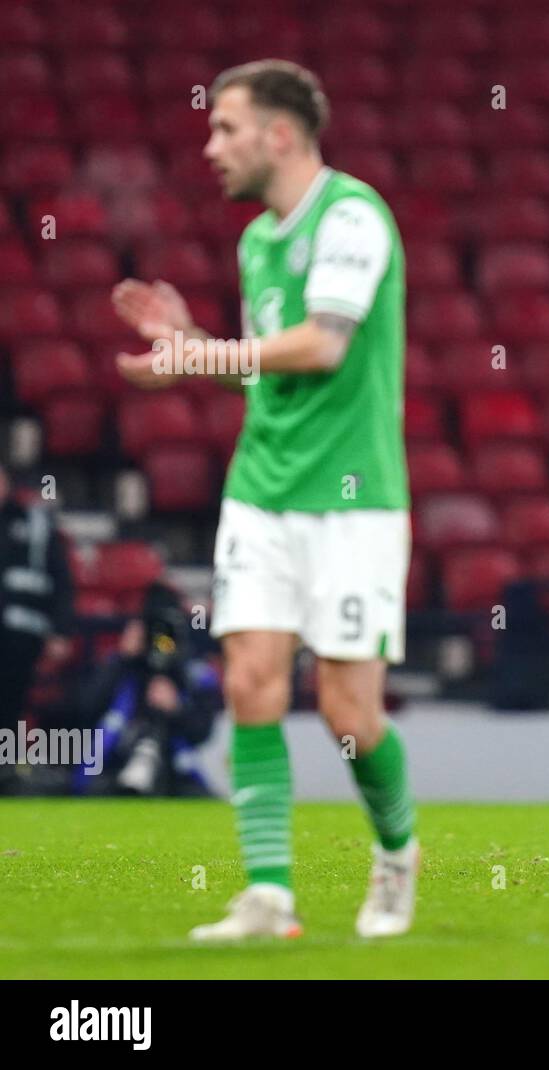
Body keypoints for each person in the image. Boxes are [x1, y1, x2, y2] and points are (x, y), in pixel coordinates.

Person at [113, 60, 417, 938]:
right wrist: (194, 345)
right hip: (261, 493)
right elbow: (268, 380)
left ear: (278, 135)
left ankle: (396, 855)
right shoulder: (255, 243)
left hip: (354, 500)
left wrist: (193, 356)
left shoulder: (353, 216)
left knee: (347, 714)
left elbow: (321, 346)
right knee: (250, 683)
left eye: (225, 129)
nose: (211, 147)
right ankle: (268, 896)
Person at [77, 583, 221, 797]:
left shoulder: (192, 673)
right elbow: (83, 710)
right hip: (115, 765)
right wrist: (122, 658)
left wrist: (176, 708)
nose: (162, 640)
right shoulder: (121, 665)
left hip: (174, 769)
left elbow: (201, 732)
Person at [0, 461, 74, 794]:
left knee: (12, 701)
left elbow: (61, 580)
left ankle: (7, 769)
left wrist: (60, 629)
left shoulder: (34, 523)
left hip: (18, 634)